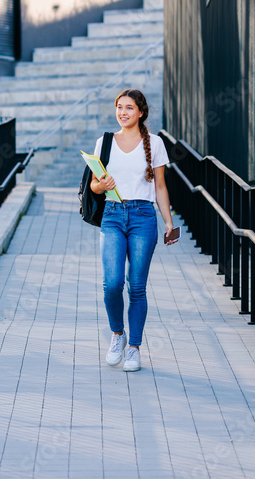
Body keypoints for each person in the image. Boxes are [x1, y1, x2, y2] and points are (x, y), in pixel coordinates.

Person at [90, 88, 177, 372]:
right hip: (112, 215)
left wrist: (168, 221)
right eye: (119, 107)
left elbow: (160, 186)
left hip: (143, 217)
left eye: (129, 108)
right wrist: (102, 186)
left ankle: (134, 348)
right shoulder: (104, 141)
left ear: (141, 112)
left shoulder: (155, 143)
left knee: (137, 287)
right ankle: (117, 334)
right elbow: (93, 185)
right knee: (112, 283)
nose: (123, 112)